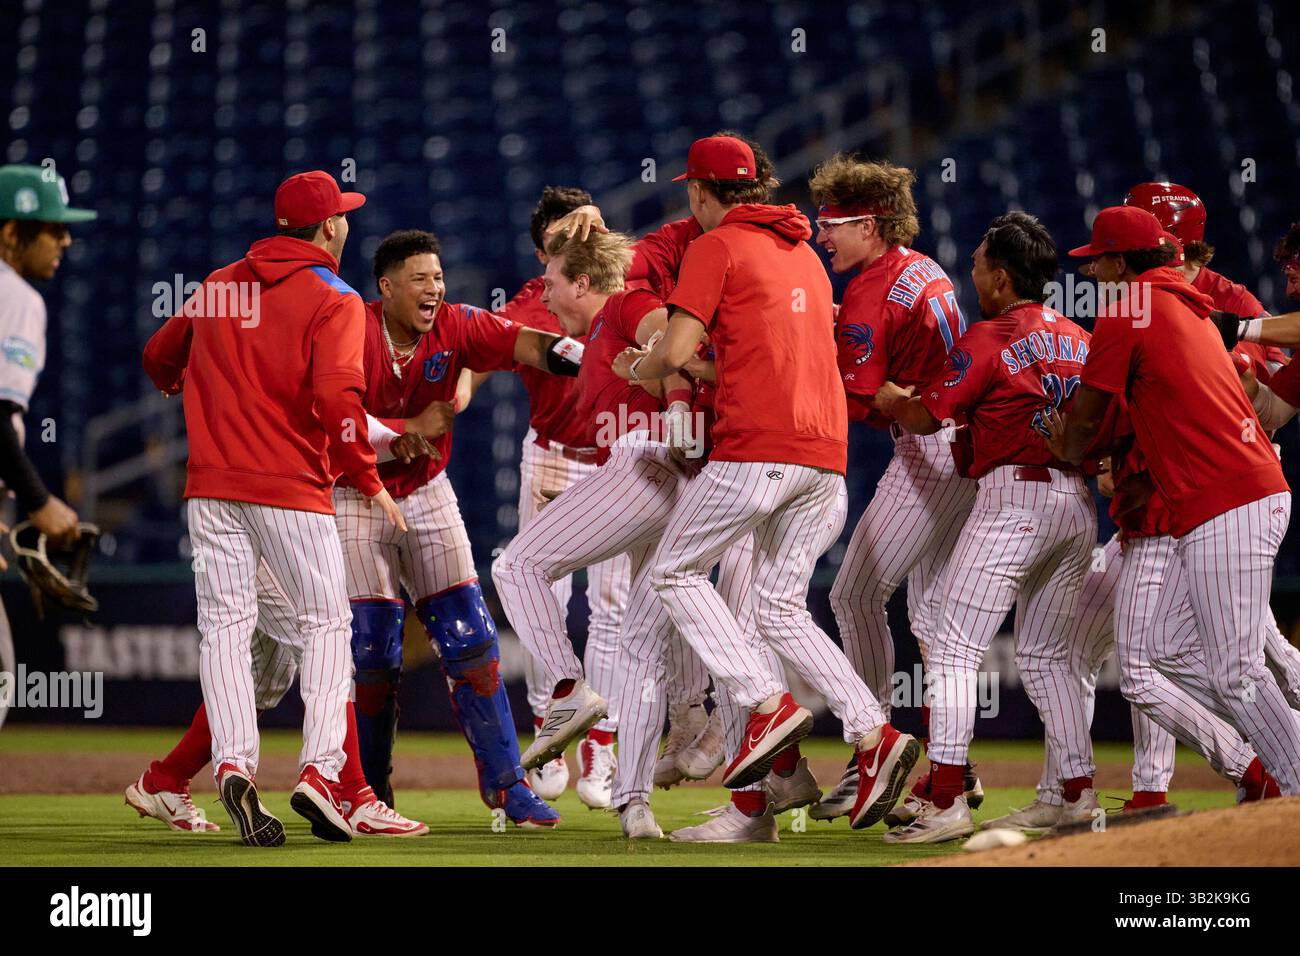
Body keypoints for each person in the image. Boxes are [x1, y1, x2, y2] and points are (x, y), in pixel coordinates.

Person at [610, 134, 919, 834]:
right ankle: (875, 735)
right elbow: (758, 360)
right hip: (825, 460)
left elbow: (678, 351)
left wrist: (642, 367)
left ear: (698, 192)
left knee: (676, 572)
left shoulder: (713, 247)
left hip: (757, 454)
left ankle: (765, 702)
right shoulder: (805, 253)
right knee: (780, 607)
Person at [143, 169, 404, 846]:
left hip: (211, 489)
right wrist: (368, 480)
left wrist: (182, 383)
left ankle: (233, 763)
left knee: (226, 631)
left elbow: (157, 358)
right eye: (342, 215)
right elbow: (338, 403)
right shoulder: (335, 297)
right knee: (324, 624)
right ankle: (320, 772)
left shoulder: (221, 283)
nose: (345, 223)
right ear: (328, 228)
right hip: (289, 486)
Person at [1051, 204, 1300, 795]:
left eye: (1098, 262)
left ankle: (1293, 783)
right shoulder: (1189, 304)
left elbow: (1084, 427)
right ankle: (1281, 759)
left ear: (1119, 260)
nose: (1092, 275)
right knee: (1164, 650)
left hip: (1228, 499)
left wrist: (1063, 442)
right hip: (1230, 496)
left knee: (1238, 672)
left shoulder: (1128, 311)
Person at [338, 228, 582, 829]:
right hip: (354, 492)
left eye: (439, 277)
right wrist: (405, 425)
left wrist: (601, 361)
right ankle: (370, 790)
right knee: (371, 649)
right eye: (420, 279)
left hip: (425, 490)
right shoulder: (351, 328)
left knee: (472, 637)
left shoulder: (458, 324)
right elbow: (332, 416)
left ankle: (507, 786)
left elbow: (533, 345)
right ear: (387, 287)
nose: (435, 288)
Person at [873, 212, 1097, 844]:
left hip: (1013, 501)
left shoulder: (990, 334)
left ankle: (946, 797)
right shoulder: (1080, 339)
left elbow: (924, 416)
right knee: (1048, 657)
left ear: (1000, 278)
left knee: (951, 645)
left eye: (976, 265)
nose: (971, 273)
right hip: (1076, 505)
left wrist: (892, 398)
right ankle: (1076, 796)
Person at [804, 153, 982, 822]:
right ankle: (950, 769)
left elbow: (855, 397)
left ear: (871, 226)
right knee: (934, 622)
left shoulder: (874, 288)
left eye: (834, 225)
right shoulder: (922, 266)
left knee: (853, 595)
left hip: (931, 447)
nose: (824, 237)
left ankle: (869, 752)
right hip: (957, 443)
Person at [491, 185, 631, 808]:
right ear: (542, 247)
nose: (576, 243)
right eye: (561, 238)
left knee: (613, 609)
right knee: (541, 599)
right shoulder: (533, 304)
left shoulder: (623, 288)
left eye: (584, 231)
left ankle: (600, 743)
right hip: (553, 456)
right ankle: (550, 729)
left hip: (615, 457)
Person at [0, 164, 95, 731]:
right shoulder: (15, 296)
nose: (64, 239)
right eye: (50, 227)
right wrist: (40, 501)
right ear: (10, 233)